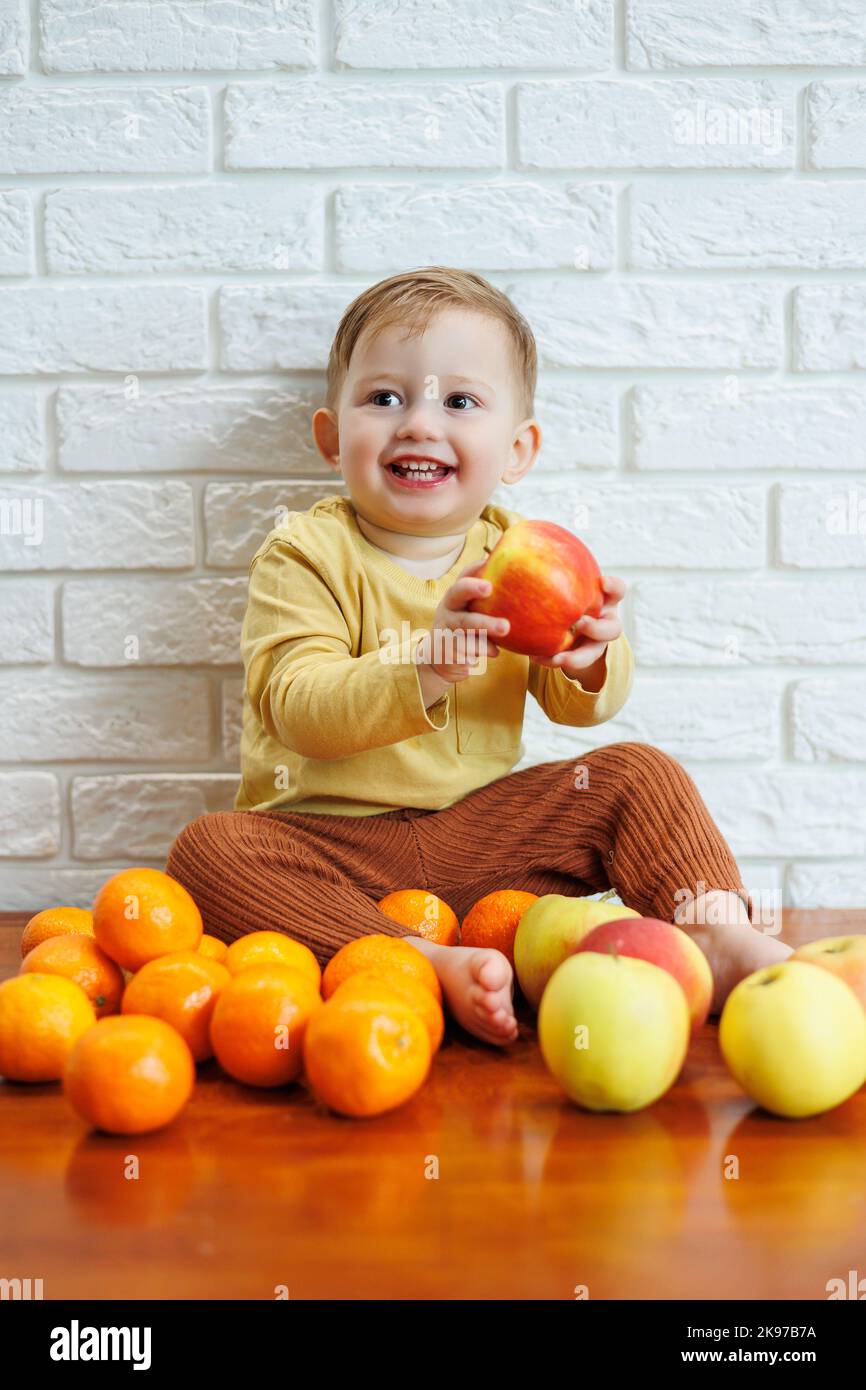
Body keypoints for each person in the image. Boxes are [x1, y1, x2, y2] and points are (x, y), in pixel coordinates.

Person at [166, 266, 790, 1045]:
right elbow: (296, 707)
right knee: (208, 851)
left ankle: (716, 934)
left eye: (459, 401)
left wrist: (589, 656)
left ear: (517, 448)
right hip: (332, 850)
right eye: (384, 398)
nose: (419, 424)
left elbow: (581, 706)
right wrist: (421, 666)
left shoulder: (518, 553)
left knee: (636, 773)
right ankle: (417, 962)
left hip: (482, 847)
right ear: (331, 438)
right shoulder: (304, 554)